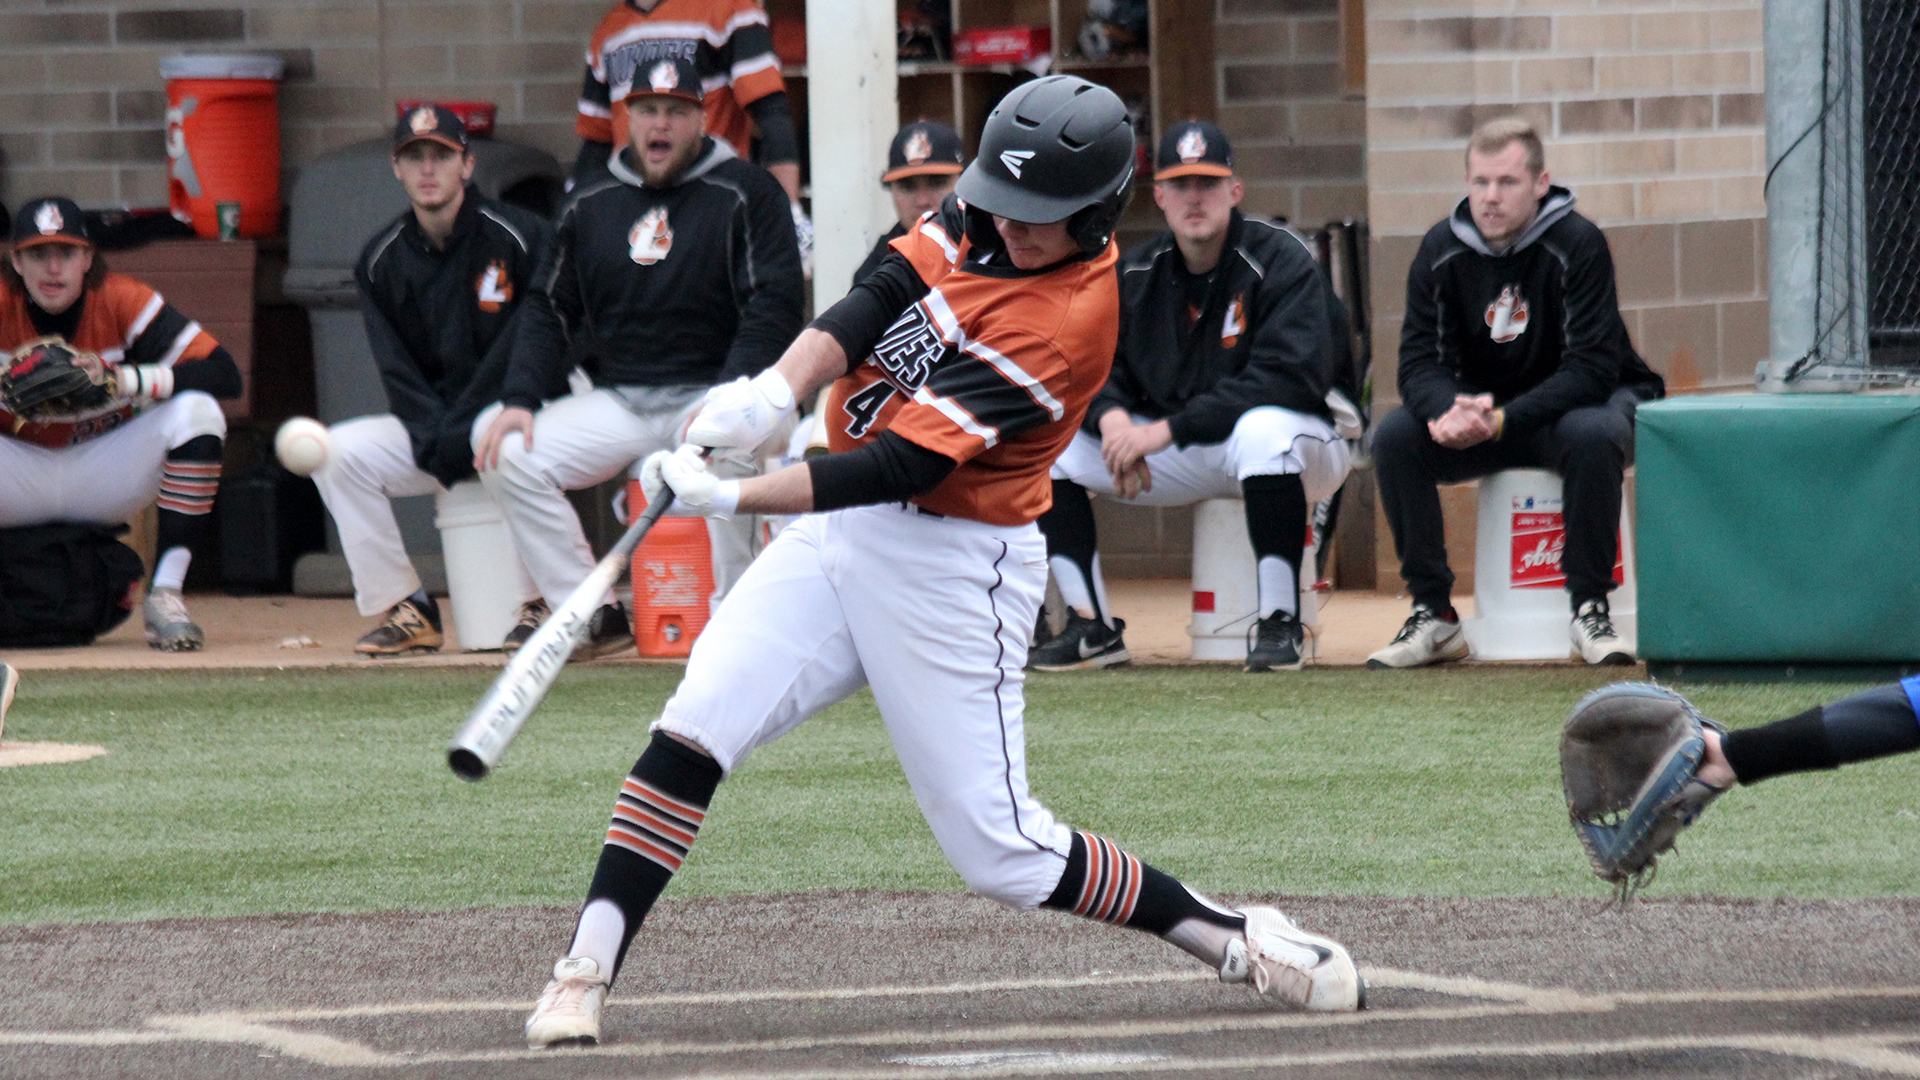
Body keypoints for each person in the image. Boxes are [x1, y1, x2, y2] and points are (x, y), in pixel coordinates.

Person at [518, 76, 1363, 1051]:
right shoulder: (997, 202)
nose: (1010, 229)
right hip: (841, 534)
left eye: (1039, 219)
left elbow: (899, 464)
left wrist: (734, 495)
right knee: (693, 727)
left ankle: (1227, 934)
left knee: (1001, 852)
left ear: (1092, 214)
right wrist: (771, 392)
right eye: (1000, 206)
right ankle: (584, 967)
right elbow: (879, 291)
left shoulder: (1067, 321)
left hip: (954, 564)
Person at [474, 56, 804, 660]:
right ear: (626, 119)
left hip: (724, 392)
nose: (660, 124)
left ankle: (736, 625)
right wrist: (520, 397)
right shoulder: (590, 198)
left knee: (727, 442)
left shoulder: (745, 189)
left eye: (676, 112)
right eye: (647, 110)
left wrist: (728, 395)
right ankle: (593, 615)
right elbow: (549, 309)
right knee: (503, 449)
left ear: (701, 118)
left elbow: (776, 304)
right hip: (624, 399)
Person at [1028, 121, 1359, 674]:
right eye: (1180, 184)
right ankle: (1091, 626)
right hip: (1192, 450)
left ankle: (1280, 620)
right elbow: (1087, 366)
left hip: (1305, 450)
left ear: (1235, 190)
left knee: (1263, 430)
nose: (1194, 197)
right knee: (1049, 446)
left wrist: (1161, 432)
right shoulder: (1135, 272)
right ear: (1158, 196)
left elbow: (1284, 379)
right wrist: (1110, 421)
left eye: (1208, 182)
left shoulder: (1280, 258)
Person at [1369, 116, 1663, 670]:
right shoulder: (1439, 249)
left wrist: (1502, 418)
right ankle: (1435, 615)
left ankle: (1590, 609)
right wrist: (1447, 411)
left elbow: (1592, 370)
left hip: (1574, 410)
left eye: (1506, 182)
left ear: (1540, 183)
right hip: (1488, 418)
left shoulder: (1578, 244)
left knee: (1595, 433)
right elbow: (1417, 364)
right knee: (1395, 437)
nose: (1490, 198)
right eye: (1479, 182)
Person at [311, 106, 558, 658]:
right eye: (414, 157)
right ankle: (408, 607)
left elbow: (527, 348)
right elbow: (398, 371)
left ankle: (537, 602)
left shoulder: (520, 237)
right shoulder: (380, 260)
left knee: (505, 439)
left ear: (467, 164)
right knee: (337, 454)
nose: (428, 169)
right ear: (397, 170)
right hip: (441, 425)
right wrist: (438, 438)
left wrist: (458, 433)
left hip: (521, 408)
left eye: (441, 156)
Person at [0, 197, 243, 651]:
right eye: (38, 254)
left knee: (199, 413)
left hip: (101, 473)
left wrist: (121, 379)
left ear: (88, 258)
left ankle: (166, 595)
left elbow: (223, 373)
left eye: (67, 253)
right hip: (17, 473)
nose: (54, 268)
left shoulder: (121, 299)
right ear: (16, 260)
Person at [572, 0, 811, 271]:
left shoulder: (728, 8)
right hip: (633, 212)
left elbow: (771, 115)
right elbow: (596, 146)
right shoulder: (609, 31)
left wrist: (787, 212)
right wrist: (571, 220)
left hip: (713, 206)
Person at [850, 120, 965, 287]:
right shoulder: (875, 268)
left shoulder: (997, 249)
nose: (922, 201)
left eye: (937, 183)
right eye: (908, 187)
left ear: (966, 183)